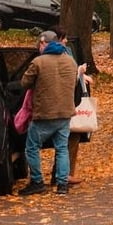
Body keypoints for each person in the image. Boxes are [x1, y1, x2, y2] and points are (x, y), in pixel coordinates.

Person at [19, 33, 80, 193]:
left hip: (44, 114)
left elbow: (24, 83)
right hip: (65, 113)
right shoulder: (71, 62)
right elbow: (73, 84)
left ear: (44, 44)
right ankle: (62, 184)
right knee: (62, 148)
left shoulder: (38, 62)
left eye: (40, 44)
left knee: (32, 147)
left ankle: (37, 181)